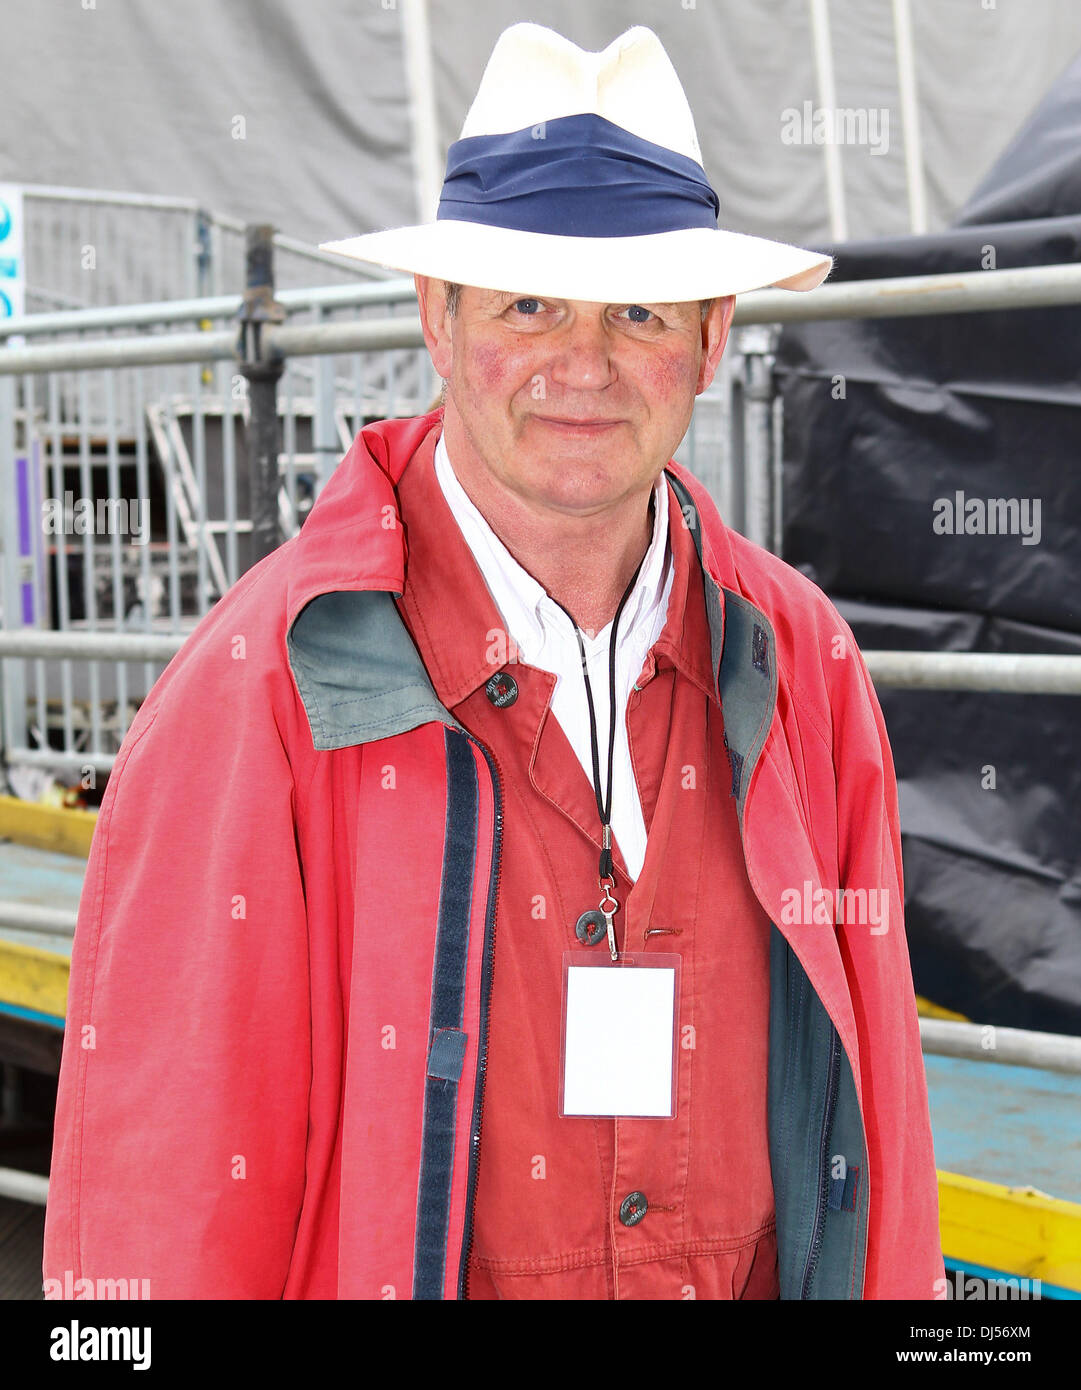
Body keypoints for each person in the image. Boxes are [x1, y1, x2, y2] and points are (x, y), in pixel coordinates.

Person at [44, 22, 943, 1300]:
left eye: (636, 310)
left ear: (709, 336)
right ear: (438, 317)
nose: (582, 365)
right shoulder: (261, 685)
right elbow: (161, 1186)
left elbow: (882, 1134)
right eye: (528, 303)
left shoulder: (803, 660)